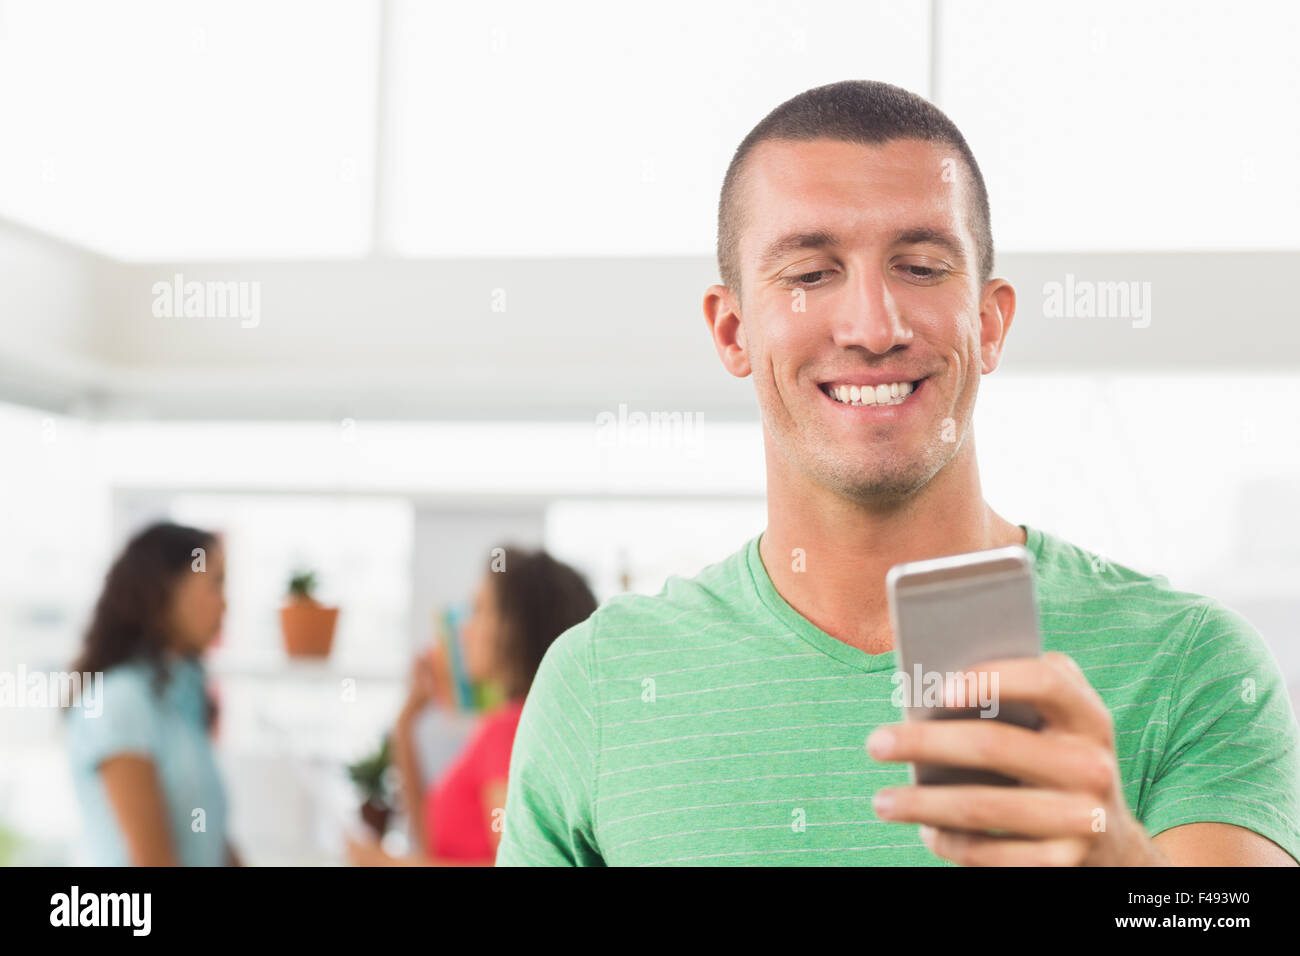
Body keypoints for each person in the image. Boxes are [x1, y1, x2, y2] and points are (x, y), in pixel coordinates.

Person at [496, 80, 1300, 866]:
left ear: (988, 323)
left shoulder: (1192, 663)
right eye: (810, 273)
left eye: (920, 266)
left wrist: (1116, 864)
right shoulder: (600, 684)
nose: (873, 327)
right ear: (733, 329)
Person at [346, 546, 596, 866]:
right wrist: (407, 722)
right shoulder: (519, 723)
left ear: (516, 628)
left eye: (479, 610)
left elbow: (510, 862)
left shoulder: (508, 730)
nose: (464, 629)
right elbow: (430, 841)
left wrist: (386, 863)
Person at [63, 521, 238, 866]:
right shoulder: (121, 701)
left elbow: (212, 837)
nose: (225, 604)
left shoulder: (181, 697)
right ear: (166, 588)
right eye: (214, 584)